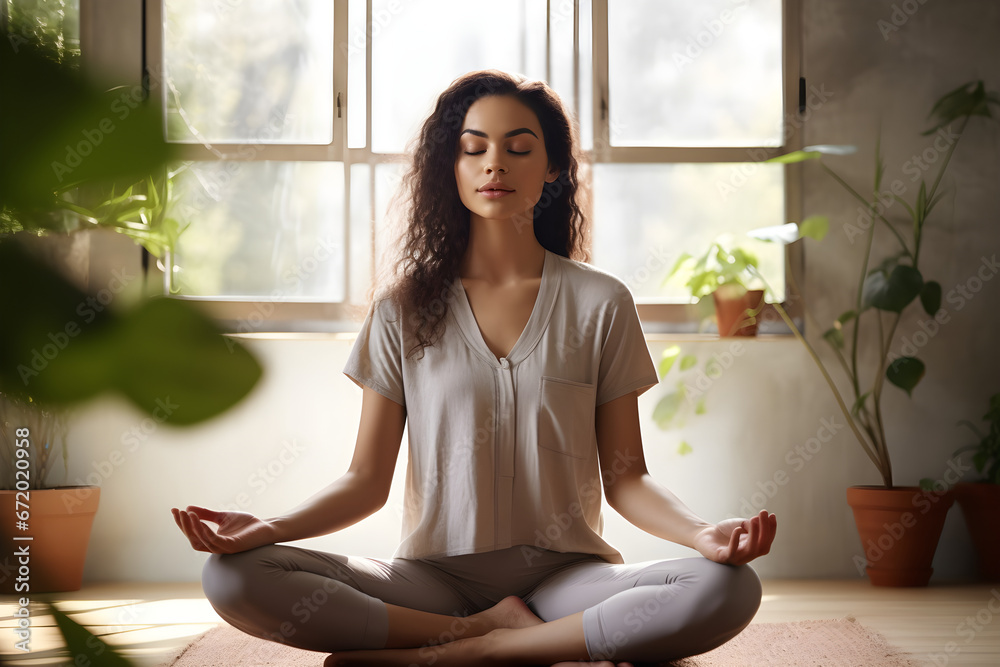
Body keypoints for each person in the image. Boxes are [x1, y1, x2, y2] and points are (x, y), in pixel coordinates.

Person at [172, 69, 777, 667]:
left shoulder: (601, 302)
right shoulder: (402, 309)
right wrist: (268, 528)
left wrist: (702, 535)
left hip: (568, 580)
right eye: (473, 148)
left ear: (554, 169)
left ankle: (475, 649)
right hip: (430, 580)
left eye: (519, 148)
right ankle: (490, 633)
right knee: (234, 577)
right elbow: (365, 481)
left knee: (727, 589)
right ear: (451, 168)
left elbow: (627, 478)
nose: (496, 164)